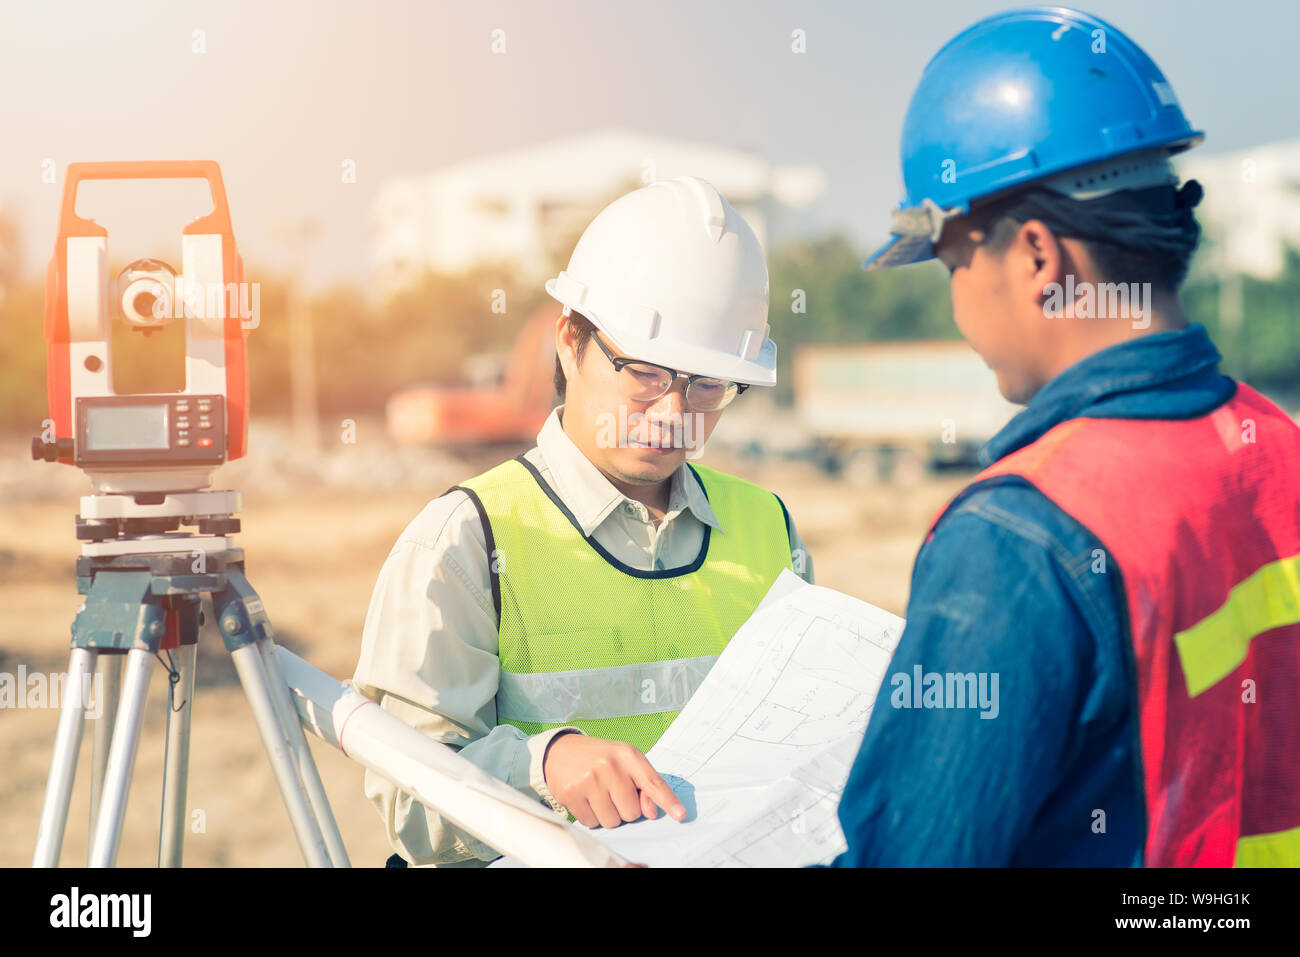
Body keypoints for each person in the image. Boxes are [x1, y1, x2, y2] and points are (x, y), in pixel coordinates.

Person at [833, 6, 1300, 866]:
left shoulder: (1019, 537)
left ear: (1037, 256)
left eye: (952, 262)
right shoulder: (1278, 448)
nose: (957, 304)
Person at [353, 176, 814, 866]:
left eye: (708, 384)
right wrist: (544, 766)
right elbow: (409, 806)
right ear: (571, 342)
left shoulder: (769, 527)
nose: (674, 413)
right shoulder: (465, 541)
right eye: (647, 373)